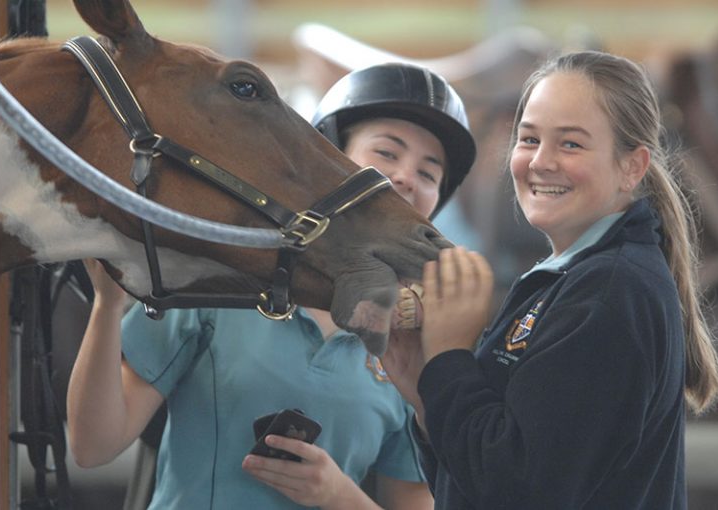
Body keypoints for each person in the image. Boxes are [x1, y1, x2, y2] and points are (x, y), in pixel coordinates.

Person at [66, 62, 477, 510]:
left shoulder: (409, 349)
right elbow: (93, 447)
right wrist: (107, 306)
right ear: (324, 160)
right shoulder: (222, 287)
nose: (405, 178)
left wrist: (340, 498)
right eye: (387, 153)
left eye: (429, 173)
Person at [382, 50, 718, 509]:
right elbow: (483, 473)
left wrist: (448, 356)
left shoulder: (608, 294)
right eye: (528, 139)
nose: (540, 162)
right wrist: (427, 390)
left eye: (571, 144)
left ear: (632, 167)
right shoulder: (577, 280)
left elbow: (516, 490)